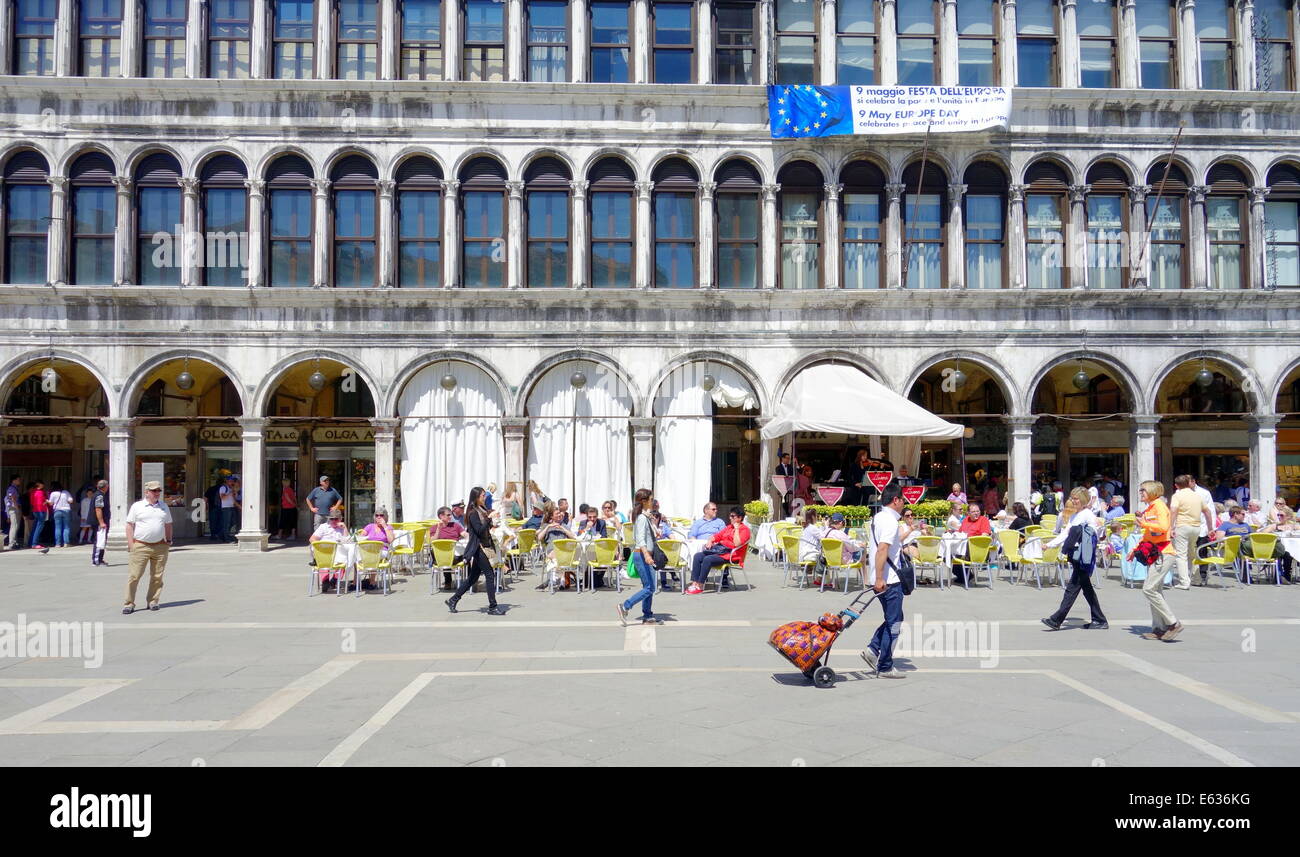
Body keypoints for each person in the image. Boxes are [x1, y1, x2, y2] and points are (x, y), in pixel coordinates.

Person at [1042, 487, 1107, 631]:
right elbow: (1065, 534)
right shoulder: (1074, 516)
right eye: (1072, 498)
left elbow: (1096, 531)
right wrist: (1050, 544)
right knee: (1086, 589)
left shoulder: (1087, 514)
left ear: (1083, 500)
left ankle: (1056, 620)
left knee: (1072, 588)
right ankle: (1099, 619)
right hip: (1077, 555)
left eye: (1076, 498)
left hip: (1083, 556)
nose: (1073, 501)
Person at [860, 484, 906, 679]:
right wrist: (880, 578)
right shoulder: (889, 521)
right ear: (895, 500)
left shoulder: (879, 517)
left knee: (894, 618)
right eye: (902, 499)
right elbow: (882, 550)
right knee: (894, 622)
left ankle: (873, 649)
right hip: (888, 580)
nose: (904, 503)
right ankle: (885, 665)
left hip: (882, 577)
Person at [1135, 480, 1183, 641]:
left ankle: (1173, 623)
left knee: (1149, 589)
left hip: (1164, 553)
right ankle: (1158, 628)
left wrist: (1144, 523)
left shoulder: (1159, 506)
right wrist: (1136, 549)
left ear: (1152, 491)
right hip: (1156, 553)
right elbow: (1149, 534)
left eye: (1143, 490)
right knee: (1155, 590)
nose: (1140, 493)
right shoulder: (1150, 508)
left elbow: (1163, 527)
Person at [445, 487, 503, 615]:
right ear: (476, 497)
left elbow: (486, 527)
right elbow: (479, 530)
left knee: (473, 577)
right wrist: (489, 519)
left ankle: (453, 599)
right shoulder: (472, 513)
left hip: (485, 545)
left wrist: (493, 521)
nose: (484, 497)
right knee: (489, 575)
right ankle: (492, 607)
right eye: (482, 496)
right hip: (478, 547)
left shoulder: (482, 510)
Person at [121, 481, 174, 614]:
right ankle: (129, 603)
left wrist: (169, 540)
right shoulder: (137, 506)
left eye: (158, 491)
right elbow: (129, 525)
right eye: (154, 491)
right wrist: (131, 544)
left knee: (157, 576)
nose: (157, 493)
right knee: (134, 575)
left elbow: (168, 524)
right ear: (146, 492)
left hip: (160, 545)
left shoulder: (164, 506)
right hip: (141, 545)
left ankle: (153, 600)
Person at [685, 506, 749, 594]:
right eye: (730, 516)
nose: (730, 518)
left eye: (733, 516)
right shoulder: (729, 527)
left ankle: (700, 585)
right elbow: (717, 536)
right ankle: (694, 583)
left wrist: (737, 529)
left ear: (740, 518)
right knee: (698, 556)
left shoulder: (745, 530)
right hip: (721, 551)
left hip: (731, 555)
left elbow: (737, 543)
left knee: (708, 559)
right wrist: (710, 540)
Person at [1169, 475, 1213, 590]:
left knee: (1181, 555)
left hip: (1182, 526)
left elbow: (1173, 511)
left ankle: (1184, 581)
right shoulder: (1197, 496)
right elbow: (1207, 512)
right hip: (1196, 527)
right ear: (1188, 483)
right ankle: (1196, 578)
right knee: (1192, 553)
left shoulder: (1177, 495)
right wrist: (1210, 528)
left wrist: (1171, 527)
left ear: (1176, 485)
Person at [535, 506, 579, 589]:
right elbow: (539, 538)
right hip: (552, 550)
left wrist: (562, 528)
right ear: (552, 516)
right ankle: (561, 580)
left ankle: (553, 579)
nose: (560, 514)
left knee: (557, 557)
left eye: (560, 513)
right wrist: (548, 527)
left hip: (563, 551)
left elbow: (573, 538)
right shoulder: (546, 525)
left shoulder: (564, 525)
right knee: (556, 554)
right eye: (557, 513)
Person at [429, 506, 467, 589]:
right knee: (445, 553)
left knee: (468, 555)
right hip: (441, 557)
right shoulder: (434, 527)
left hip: (455, 556)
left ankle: (469, 581)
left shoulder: (455, 525)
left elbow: (464, 534)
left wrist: (469, 536)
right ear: (441, 516)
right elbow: (432, 541)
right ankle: (448, 581)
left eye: (451, 515)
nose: (451, 517)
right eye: (448, 515)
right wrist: (438, 529)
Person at [89, 479, 110, 566]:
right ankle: (96, 560)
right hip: (98, 522)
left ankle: (100, 559)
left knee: (101, 540)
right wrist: (101, 522)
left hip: (100, 521)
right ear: (106, 487)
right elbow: (98, 509)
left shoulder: (100, 495)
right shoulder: (99, 496)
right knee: (99, 540)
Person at [47, 481, 73, 548]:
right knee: (66, 527)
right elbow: (71, 501)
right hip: (66, 510)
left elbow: (51, 503)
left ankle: (57, 544)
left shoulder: (53, 493)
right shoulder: (66, 492)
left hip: (57, 511)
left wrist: (47, 501)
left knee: (57, 527)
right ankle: (66, 543)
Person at [28, 480, 48, 551]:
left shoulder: (32, 492)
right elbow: (41, 503)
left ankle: (30, 542)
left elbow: (32, 503)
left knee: (35, 527)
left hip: (35, 511)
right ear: (39, 484)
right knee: (39, 527)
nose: (43, 485)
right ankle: (34, 543)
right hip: (41, 511)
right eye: (42, 484)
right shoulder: (40, 492)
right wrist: (46, 501)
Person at [4, 475, 21, 550]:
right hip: (13, 508)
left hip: (14, 508)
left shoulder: (15, 488)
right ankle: (11, 543)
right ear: (14, 480)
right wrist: (16, 506)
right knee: (14, 525)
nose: (19, 481)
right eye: (18, 479)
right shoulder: (11, 488)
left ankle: (14, 542)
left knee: (16, 525)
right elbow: (11, 497)